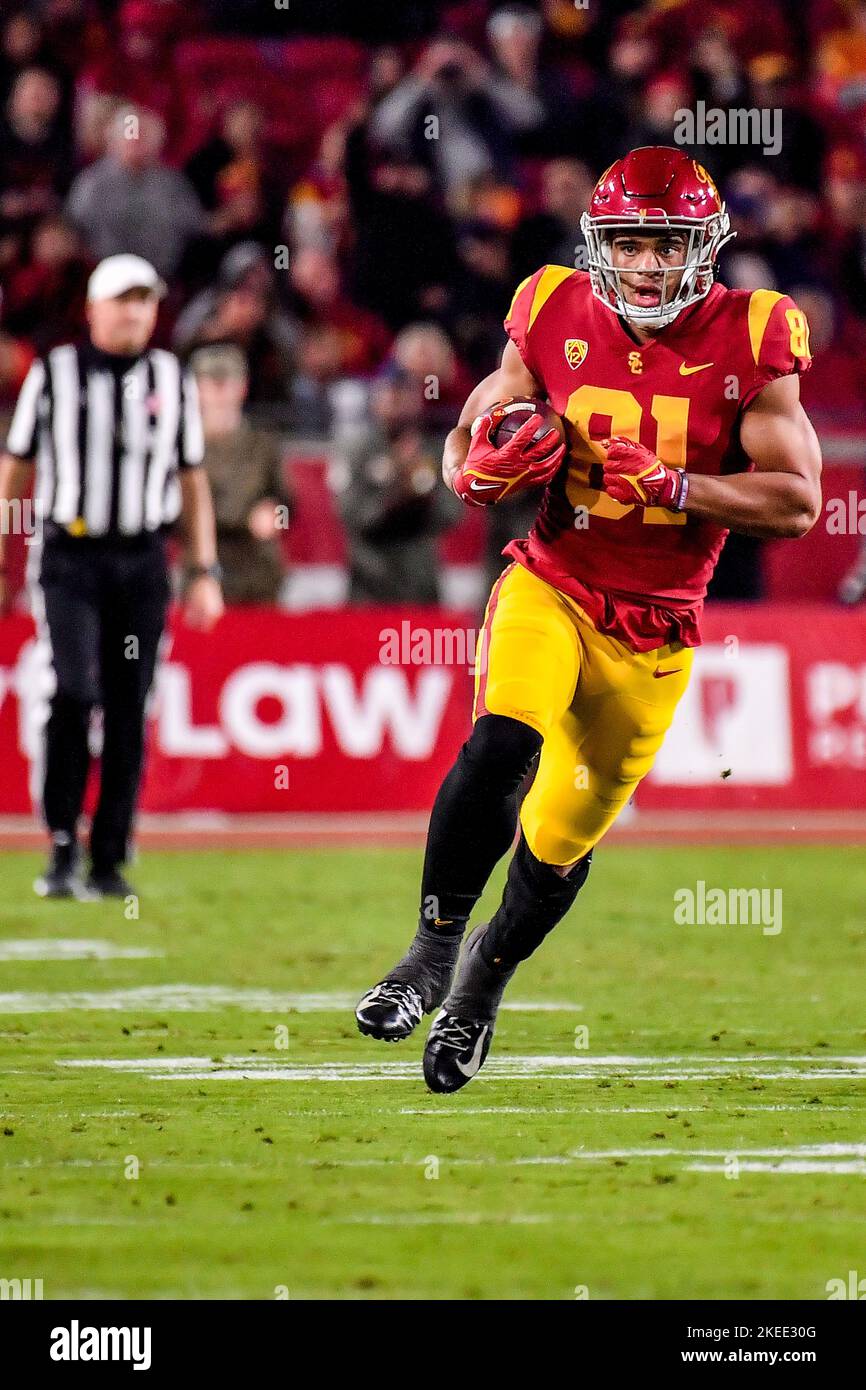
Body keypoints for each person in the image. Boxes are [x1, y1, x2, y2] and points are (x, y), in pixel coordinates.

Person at [355, 146, 822, 1091]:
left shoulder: (755, 333)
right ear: (598, 245)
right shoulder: (552, 305)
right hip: (554, 580)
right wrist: (464, 464)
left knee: (557, 845)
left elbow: (800, 500)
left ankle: (480, 991)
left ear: (706, 247)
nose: (648, 264)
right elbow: (480, 418)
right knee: (500, 740)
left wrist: (680, 485)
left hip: (657, 627)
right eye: (630, 244)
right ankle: (429, 954)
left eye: (667, 244)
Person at [0, 253, 224, 900]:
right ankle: (63, 838)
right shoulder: (54, 374)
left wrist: (204, 568)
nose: (135, 312)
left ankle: (109, 852)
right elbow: (15, 465)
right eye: (123, 299)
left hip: (143, 558)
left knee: (131, 704)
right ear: (93, 308)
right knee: (72, 689)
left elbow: (192, 477)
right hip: (70, 557)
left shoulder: (169, 376)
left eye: (145, 301)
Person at [190, 344, 293, 603]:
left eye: (227, 382)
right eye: (211, 382)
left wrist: (274, 517)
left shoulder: (263, 443)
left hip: (258, 576)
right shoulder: (184, 447)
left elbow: (289, 507)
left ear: (243, 387)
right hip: (203, 575)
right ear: (196, 390)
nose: (220, 391)